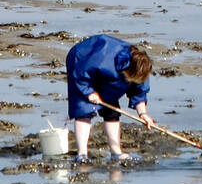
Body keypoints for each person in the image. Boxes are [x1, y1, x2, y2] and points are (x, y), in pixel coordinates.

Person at [66, 34, 154, 162]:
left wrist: (143, 113)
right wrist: (89, 92)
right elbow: (80, 73)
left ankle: (116, 152)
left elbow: (139, 92)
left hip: (109, 74)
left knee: (112, 110)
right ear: (128, 70)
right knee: (83, 109)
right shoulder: (103, 59)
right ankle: (82, 154)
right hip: (81, 61)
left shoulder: (141, 69)